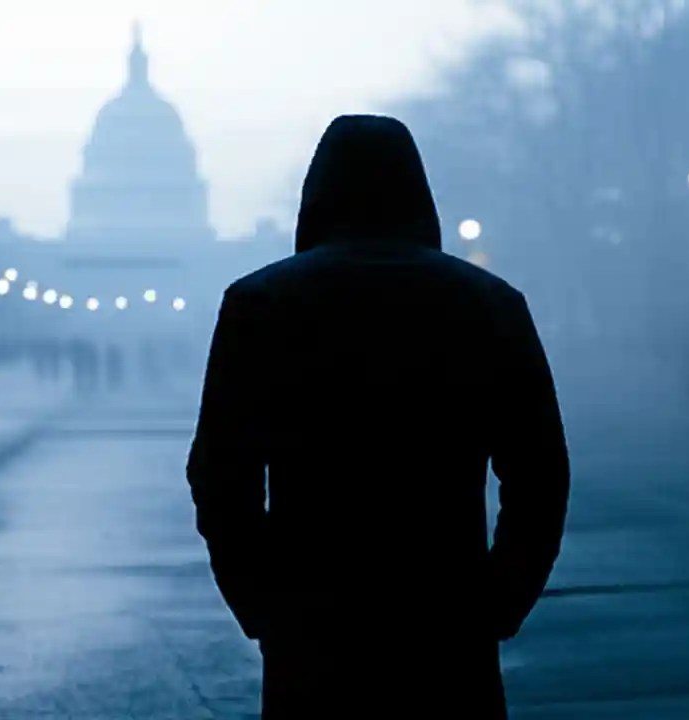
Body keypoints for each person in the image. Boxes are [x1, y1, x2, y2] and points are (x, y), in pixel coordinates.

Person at [187, 115, 570, 718]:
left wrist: (262, 605)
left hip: (313, 619)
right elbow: (540, 473)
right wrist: (501, 600)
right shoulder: (490, 302)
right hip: (446, 613)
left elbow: (220, 476)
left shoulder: (258, 304)